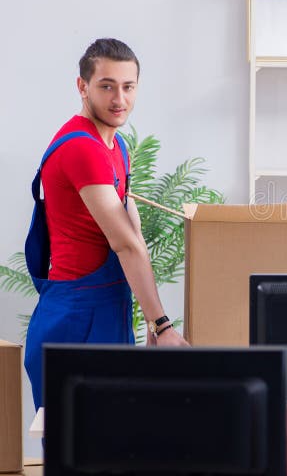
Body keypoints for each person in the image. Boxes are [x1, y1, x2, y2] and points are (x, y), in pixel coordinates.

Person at [24, 38, 189, 410]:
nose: (119, 99)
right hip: (75, 319)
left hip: (111, 308)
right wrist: (162, 325)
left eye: (128, 87)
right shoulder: (82, 147)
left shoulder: (117, 147)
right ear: (82, 87)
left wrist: (150, 320)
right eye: (107, 86)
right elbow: (124, 244)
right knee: (81, 454)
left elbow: (135, 238)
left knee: (113, 448)